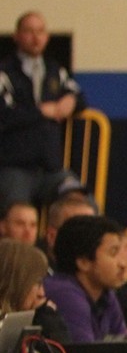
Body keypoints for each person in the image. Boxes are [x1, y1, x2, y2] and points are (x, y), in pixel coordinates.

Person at [0, 11, 84, 211]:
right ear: (17, 36)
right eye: (29, 31)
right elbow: (4, 115)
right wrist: (40, 112)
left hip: (52, 170)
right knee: (17, 213)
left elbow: (78, 95)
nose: (35, 37)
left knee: (81, 201)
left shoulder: (55, 70)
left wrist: (72, 100)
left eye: (40, 31)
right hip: (15, 168)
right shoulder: (5, 72)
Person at [43, 214, 127, 343]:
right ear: (84, 262)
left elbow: (125, 346)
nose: (123, 264)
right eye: (113, 253)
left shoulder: (106, 294)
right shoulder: (65, 294)